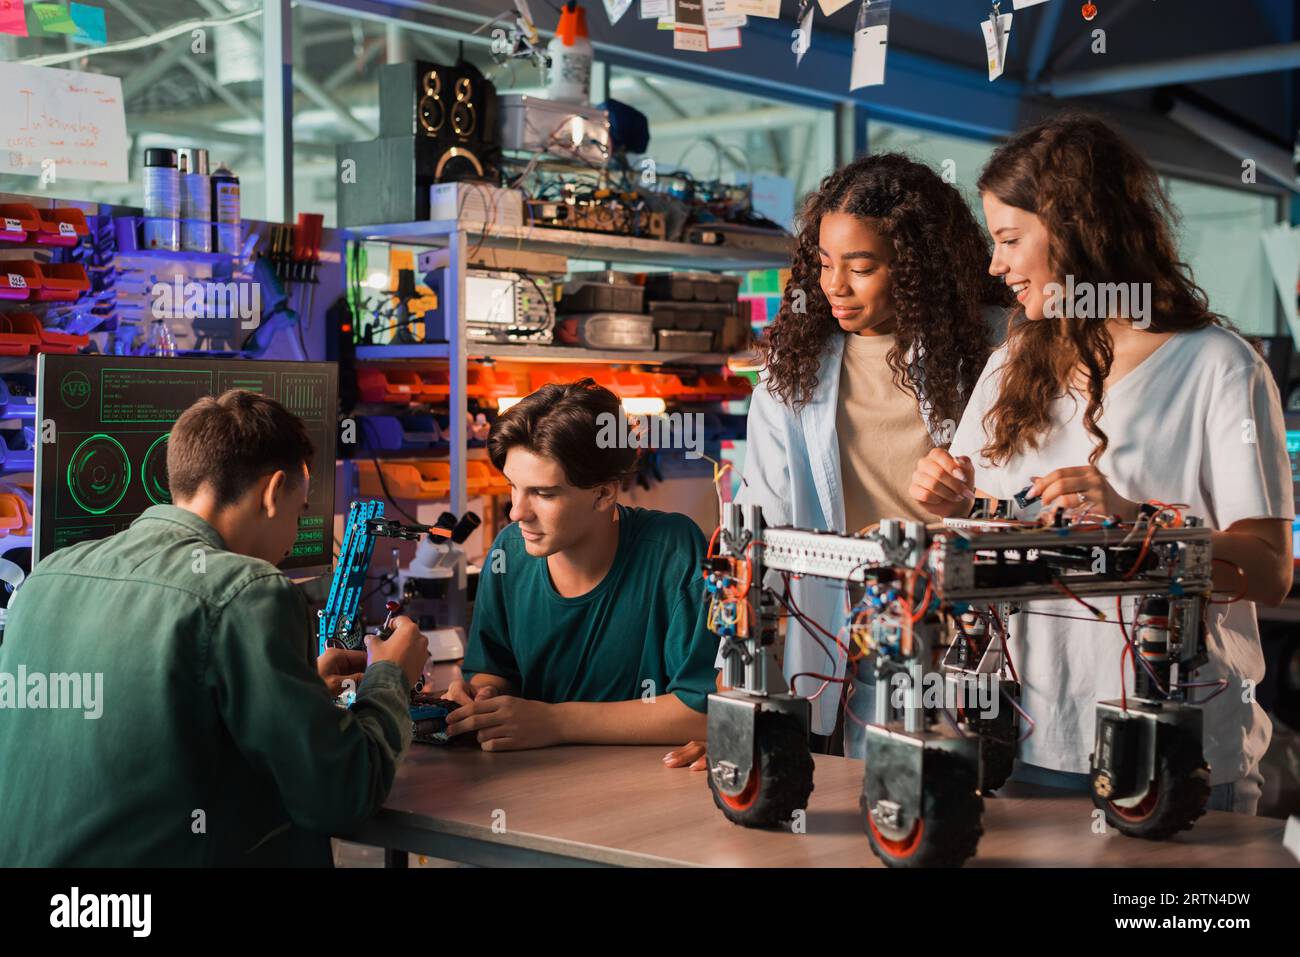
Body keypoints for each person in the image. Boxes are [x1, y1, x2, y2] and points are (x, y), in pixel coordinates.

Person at [910, 114, 1293, 814]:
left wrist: (1135, 518)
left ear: (1078, 230)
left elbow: (1270, 570)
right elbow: (983, 527)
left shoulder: (1220, 367)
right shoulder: (1008, 368)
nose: (996, 265)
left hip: (1177, 755)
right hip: (1027, 742)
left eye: (1008, 240)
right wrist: (951, 497)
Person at [666, 153, 1010, 769]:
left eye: (863, 267)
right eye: (824, 264)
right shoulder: (793, 370)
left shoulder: (999, 347)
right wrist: (735, 705)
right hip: (853, 637)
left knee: (991, 815)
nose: (835, 287)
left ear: (919, 264)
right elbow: (760, 529)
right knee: (879, 812)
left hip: (975, 629)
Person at [0, 390, 429, 865]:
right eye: (301, 508)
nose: (295, 531)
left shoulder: (48, 576)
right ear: (272, 493)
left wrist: (302, 689)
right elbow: (342, 796)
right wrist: (390, 677)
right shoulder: (250, 589)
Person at [443, 379, 718, 748]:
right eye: (513, 486)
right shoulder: (508, 553)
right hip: (536, 783)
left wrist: (556, 722)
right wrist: (482, 699)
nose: (517, 512)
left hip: (644, 789)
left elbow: (702, 712)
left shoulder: (672, 550)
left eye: (542, 493)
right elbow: (494, 670)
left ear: (603, 493)